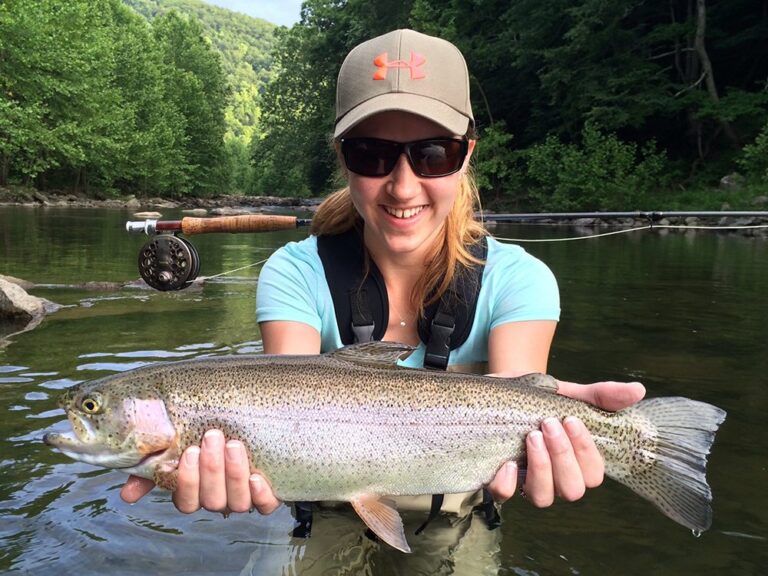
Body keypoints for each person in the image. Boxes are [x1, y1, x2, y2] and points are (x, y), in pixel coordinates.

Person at [120, 28, 645, 569]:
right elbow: (290, 407)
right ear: (342, 159)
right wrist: (229, 463)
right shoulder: (296, 272)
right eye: (371, 155)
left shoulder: (521, 280)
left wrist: (575, 436)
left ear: (466, 155)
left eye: (432, 154)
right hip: (325, 508)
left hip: (454, 514)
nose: (402, 185)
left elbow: (516, 423)